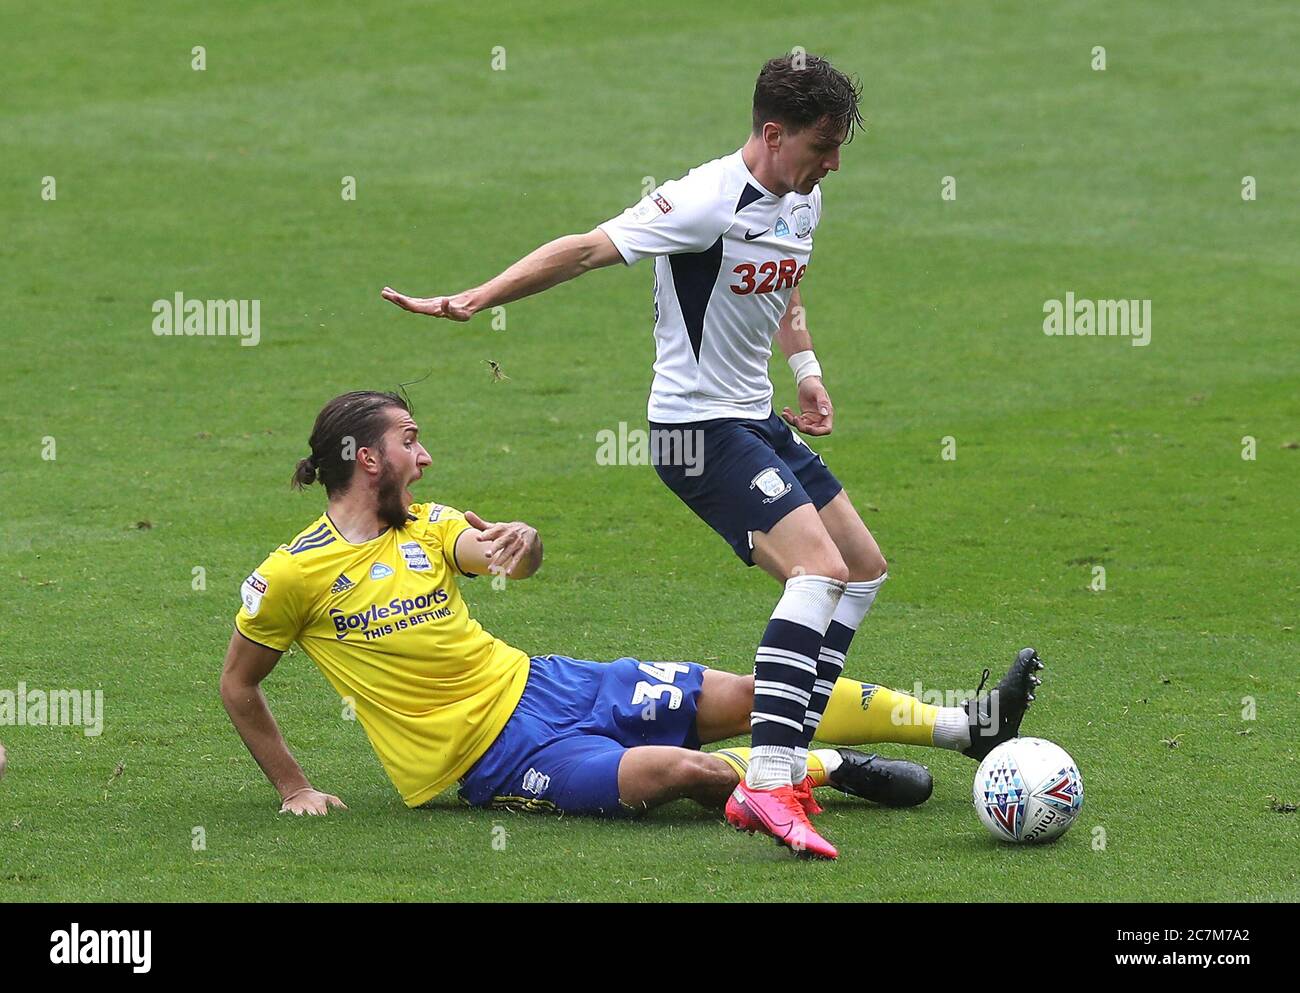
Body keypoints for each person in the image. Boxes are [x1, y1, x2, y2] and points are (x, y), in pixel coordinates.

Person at [380, 55, 1043, 856]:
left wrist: (807, 370)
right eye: (823, 145)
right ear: (772, 132)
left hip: (755, 416)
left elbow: (785, 288)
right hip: (695, 430)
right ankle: (770, 781)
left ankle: (793, 757)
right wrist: (477, 298)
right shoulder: (700, 201)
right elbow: (587, 249)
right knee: (817, 571)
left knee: (861, 567)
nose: (833, 163)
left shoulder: (804, 199)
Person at [220, 392, 1041, 858]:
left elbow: (499, 553)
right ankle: (824, 765)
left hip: (552, 681)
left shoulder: (428, 525)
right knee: (682, 772)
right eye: (410, 440)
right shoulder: (294, 574)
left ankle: (966, 726)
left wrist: (523, 543)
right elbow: (239, 684)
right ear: (368, 457)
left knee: (761, 693)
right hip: (490, 757)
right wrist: (294, 786)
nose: (424, 455)